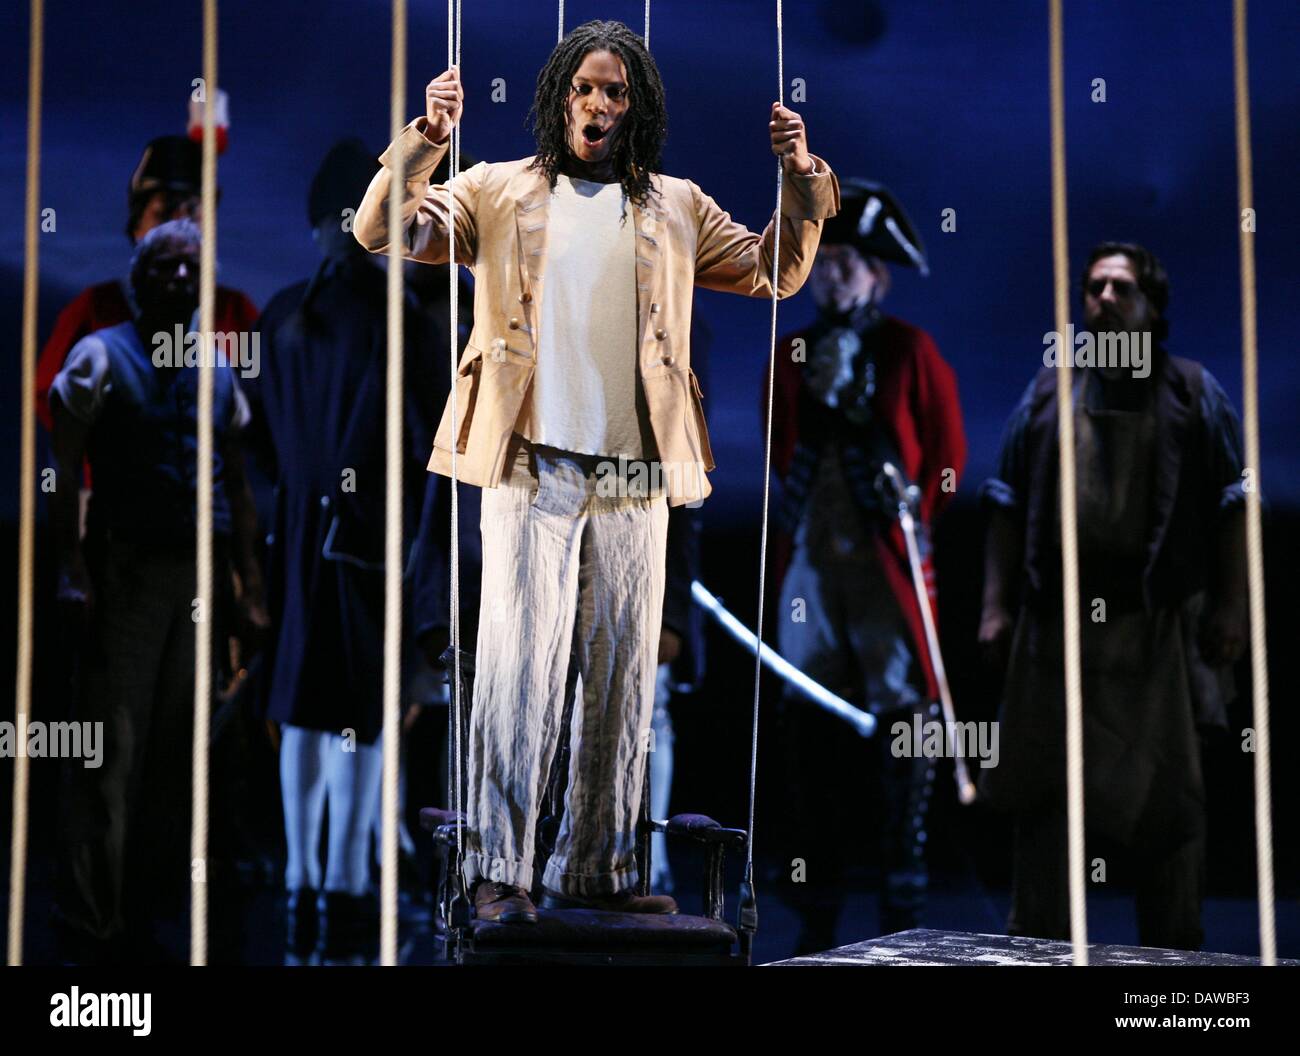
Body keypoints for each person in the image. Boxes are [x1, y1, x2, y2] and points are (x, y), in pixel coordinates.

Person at [354, 19, 840, 924]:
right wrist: (426, 139)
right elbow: (382, 229)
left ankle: (597, 870)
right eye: (584, 87)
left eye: (615, 91)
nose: (598, 104)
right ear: (558, 98)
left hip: (633, 472)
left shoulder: (677, 206)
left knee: (621, 676)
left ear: (637, 107)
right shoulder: (498, 189)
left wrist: (800, 176)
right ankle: (498, 869)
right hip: (530, 460)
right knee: (518, 669)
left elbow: (773, 272)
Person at [977, 242, 1248, 950]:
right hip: (1057, 633)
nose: (1103, 300)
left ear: (1152, 307)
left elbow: (1233, 503)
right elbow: (1004, 500)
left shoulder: (1193, 392)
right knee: (1046, 802)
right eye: (1094, 287)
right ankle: (1040, 954)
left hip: (1155, 632)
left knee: (1169, 809)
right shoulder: (1049, 392)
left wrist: (1233, 607)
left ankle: (1171, 977)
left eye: (1121, 288)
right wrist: (995, 608)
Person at [243, 140, 442, 959]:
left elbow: (252, 444)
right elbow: (434, 450)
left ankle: (306, 883)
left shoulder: (279, 314)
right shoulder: (402, 319)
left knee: (305, 709)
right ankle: (346, 885)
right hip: (369, 545)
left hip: (299, 540)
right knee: (358, 714)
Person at [49, 219, 265, 962]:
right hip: (126, 569)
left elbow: (236, 484)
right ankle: (91, 919)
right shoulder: (98, 357)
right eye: (165, 267)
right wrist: (72, 570)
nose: (179, 279)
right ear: (138, 278)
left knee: (180, 748)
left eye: (190, 269)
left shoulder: (217, 368)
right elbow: (63, 475)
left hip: (199, 575)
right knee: (110, 746)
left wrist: (250, 586)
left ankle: (147, 908)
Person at [763, 180, 966, 949]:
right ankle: (815, 890)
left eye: (846, 262)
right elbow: (778, 440)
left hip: (885, 566)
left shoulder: (910, 350)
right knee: (809, 713)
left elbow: (947, 453)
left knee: (903, 713)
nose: (832, 274)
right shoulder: (791, 352)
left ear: (877, 276)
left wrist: (917, 509)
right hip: (814, 562)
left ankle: (902, 883)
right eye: (824, 261)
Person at [36, 134, 258, 435]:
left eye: (193, 212)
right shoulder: (95, 309)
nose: (179, 229)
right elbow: (51, 398)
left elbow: (261, 400)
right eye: (164, 214)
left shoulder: (235, 313)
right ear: (138, 226)